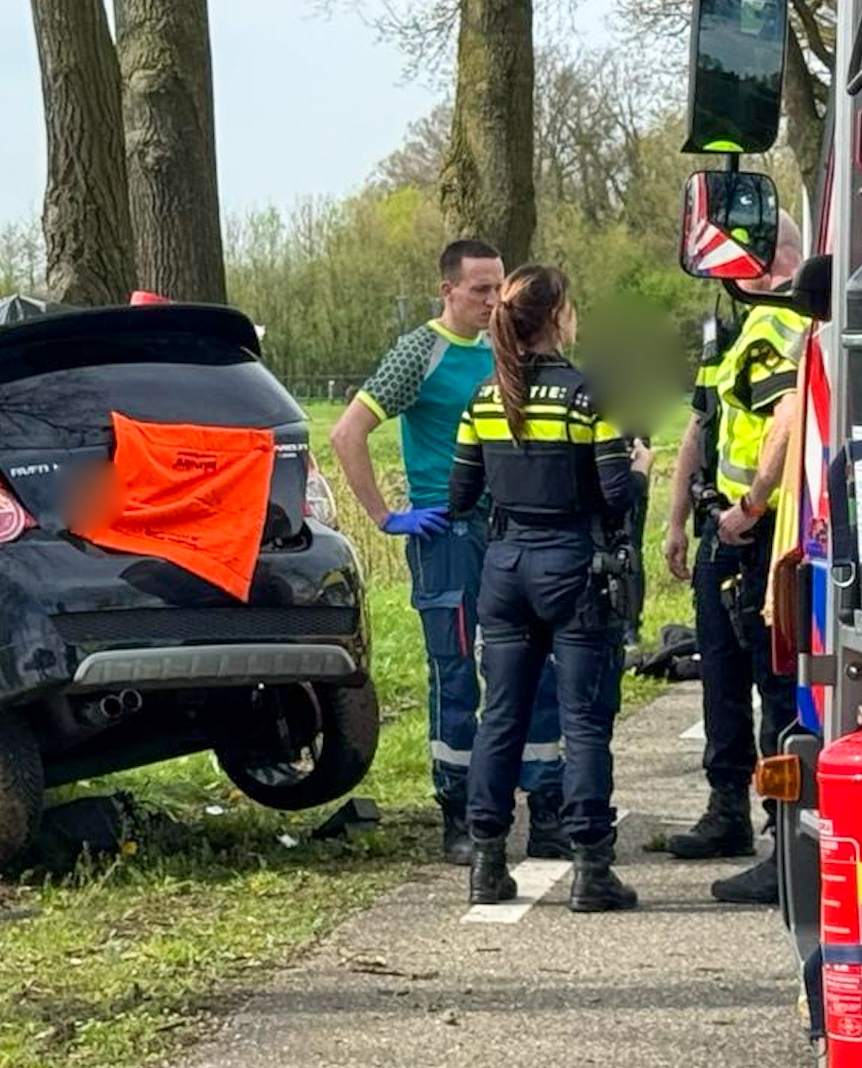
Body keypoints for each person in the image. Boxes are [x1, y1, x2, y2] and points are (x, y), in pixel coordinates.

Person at [330, 239, 570, 866]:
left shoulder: (510, 347)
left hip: (516, 529)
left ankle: (546, 805)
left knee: (535, 667)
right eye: (481, 291)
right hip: (450, 535)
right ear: (448, 292)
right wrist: (387, 516)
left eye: (500, 290)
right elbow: (347, 431)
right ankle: (457, 812)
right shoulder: (421, 351)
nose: (493, 301)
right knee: (457, 670)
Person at [448, 264, 653, 912]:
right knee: (584, 722)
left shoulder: (484, 398)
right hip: (574, 565)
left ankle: (487, 862)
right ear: (558, 316)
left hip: (505, 569)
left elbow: (460, 496)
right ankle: (593, 869)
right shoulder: (590, 394)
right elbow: (617, 496)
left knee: (500, 716)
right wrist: (640, 468)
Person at [659, 210, 810, 905]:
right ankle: (727, 812)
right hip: (723, 526)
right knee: (719, 675)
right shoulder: (734, 327)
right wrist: (676, 520)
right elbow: (700, 423)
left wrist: (752, 504)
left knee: (774, 687)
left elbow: (784, 417)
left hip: (764, 532)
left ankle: (786, 843)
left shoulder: (781, 324)